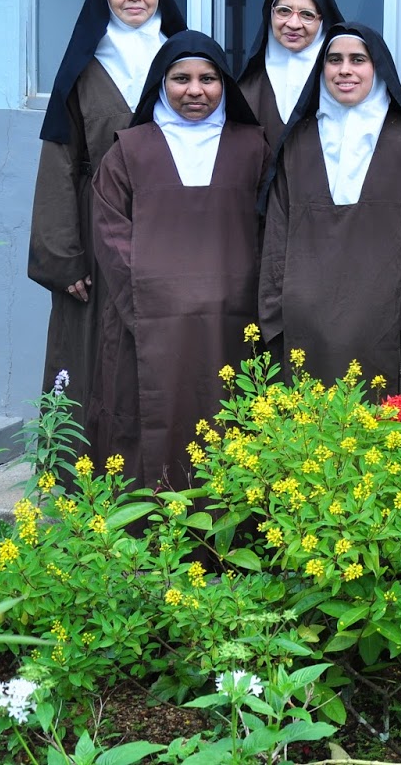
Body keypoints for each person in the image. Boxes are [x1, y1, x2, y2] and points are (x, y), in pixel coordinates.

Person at [89, 31, 267, 491]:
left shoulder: (255, 148)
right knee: (149, 421)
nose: (195, 90)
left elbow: (275, 229)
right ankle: (146, 537)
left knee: (233, 418)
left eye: (208, 79)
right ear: (160, 84)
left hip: (235, 319)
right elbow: (110, 231)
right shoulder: (128, 150)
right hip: (147, 318)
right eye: (181, 78)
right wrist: (150, 296)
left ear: (225, 85)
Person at [30, 0, 186, 415]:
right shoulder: (83, 69)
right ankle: (84, 470)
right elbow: (59, 159)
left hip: (174, 224)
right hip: (95, 228)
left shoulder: (185, 62)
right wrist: (62, 256)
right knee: (92, 345)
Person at [259, 23, 401, 389]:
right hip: (303, 320)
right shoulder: (297, 142)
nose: (345, 70)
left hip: (381, 323)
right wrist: (275, 311)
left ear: (378, 69)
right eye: (334, 60)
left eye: (358, 60)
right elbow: (276, 236)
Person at [236, 0, 346, 146]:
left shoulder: (343, 80)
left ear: (322, 21)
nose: (294, 24)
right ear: (270, 15)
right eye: (283, 11)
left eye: (307, 15)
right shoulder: (249, 87)